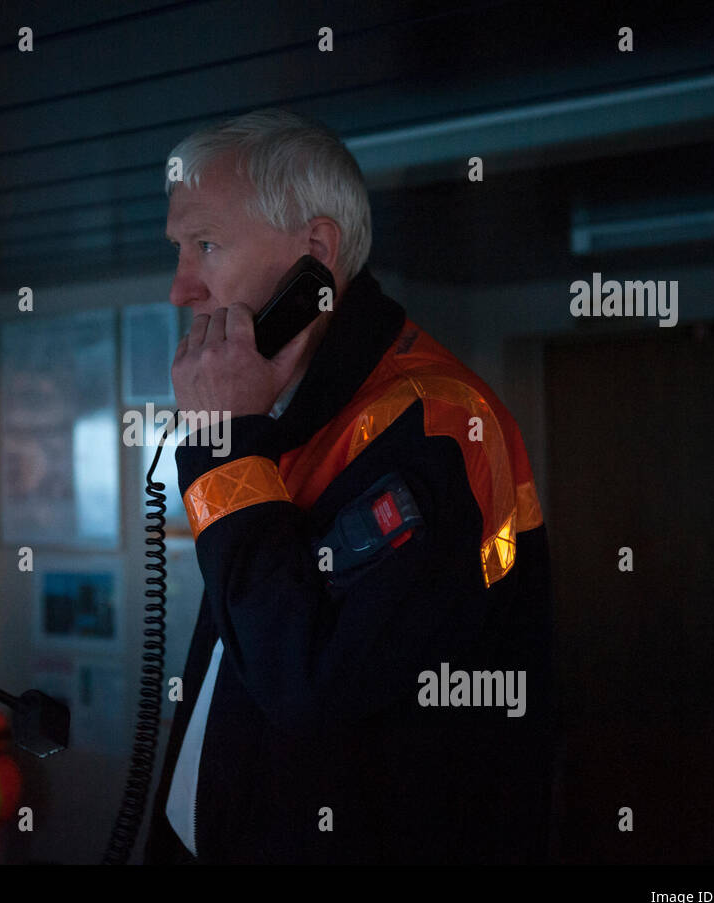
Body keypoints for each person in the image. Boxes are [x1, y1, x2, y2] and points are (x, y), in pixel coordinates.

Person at [144, 108, 556, 864]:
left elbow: (308, 682)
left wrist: (225, 444)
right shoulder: (290, 413)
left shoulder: (434, 423)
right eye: (178, 250)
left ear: (317, 253)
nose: (180, 289)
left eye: (205, 246)